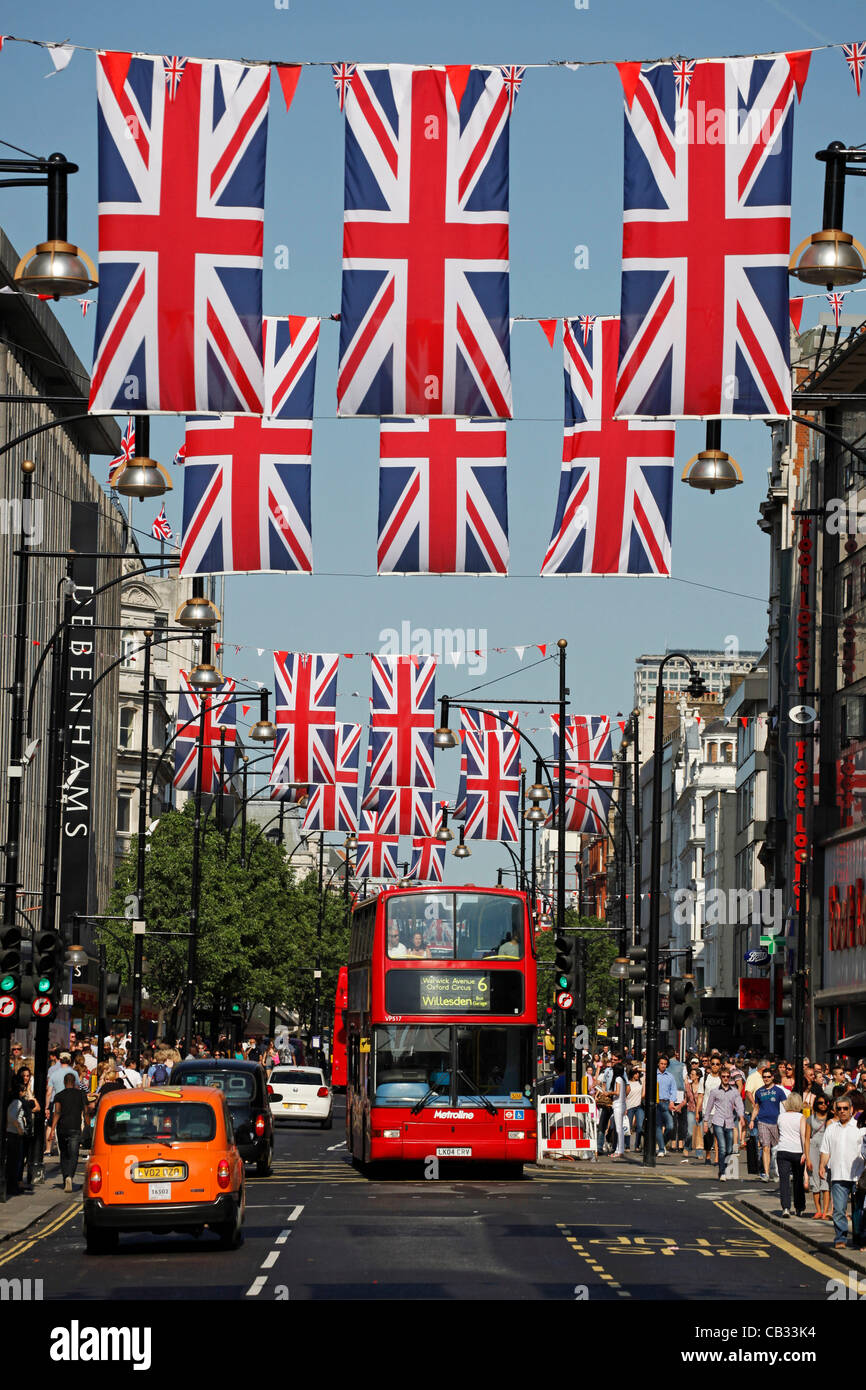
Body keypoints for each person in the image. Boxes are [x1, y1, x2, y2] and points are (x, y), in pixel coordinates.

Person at [819, 1095, 865, 1248]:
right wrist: (821, 1166)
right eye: (839, 1108)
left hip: (858, 1176)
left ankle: (859, 1238)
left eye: (846, 1108)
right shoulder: (831, 1128)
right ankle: (841, 1238)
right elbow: (825, 1151)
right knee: (839, 1209)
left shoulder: (860, 1128)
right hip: (838, 1174)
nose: (842, 1111)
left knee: (859, 1211)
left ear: (851, 1109)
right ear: (835, 1110)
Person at [702, 1065, 745, 1181]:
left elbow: (739, 1104)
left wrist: (741, 1116)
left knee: (729, 1149)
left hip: (730, 1122)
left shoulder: (734, 1092)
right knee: (722, 1147)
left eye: (727, 1076)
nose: (726, 1078)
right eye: (723, 1076)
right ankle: (722, 1172)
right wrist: (705, 1121)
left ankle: (724, 1169)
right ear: (720, 1078)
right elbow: (709, 1107)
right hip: (718, 1121)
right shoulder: (715, 1092)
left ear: (730, 1077)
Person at [48, 1072, 87, 1194]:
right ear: (74, 1082)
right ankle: (70, 1175)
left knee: (64, 1154)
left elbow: (57, 1113)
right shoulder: (81, 1094)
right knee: (74, 1154)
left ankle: (65, 1179)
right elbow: (86, 1113)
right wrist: (89, 1127)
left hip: (62, 1128)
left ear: (65, 1083)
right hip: (75, 1128)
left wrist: (52, 1131)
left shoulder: (59, 1095)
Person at [749, 1066, 788, 1184]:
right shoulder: (759, 1092)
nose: (766, 1079)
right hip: (762, 1121)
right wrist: (751, 1120)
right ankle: (765, 1173)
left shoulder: (779, 1091)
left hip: (776, 1122)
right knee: (765, 1147)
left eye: (768, 1077)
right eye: (764, 1077)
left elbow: (786, 1105)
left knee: (776, 1148)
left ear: (772, 1077)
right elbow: (756, 1107)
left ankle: (775, 1172)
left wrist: (789, 1118)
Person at [776, 1092, 808, 1218]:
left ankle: (785, 1207)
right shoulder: (801, 1117)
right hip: (797, 1151)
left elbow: (779, 1132)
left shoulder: (781, 1117)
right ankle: (799, 1207)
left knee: (784, 1181)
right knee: (798, 1179)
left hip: (783, 1150)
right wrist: (805, 1153)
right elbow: (803, 1135)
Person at [805, 1095, 832, 1220]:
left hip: (827, 1150)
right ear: (816, 1104)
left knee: (825, 1179)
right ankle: (818, 1211)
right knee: (815, 1179)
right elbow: (806, 1139)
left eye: (826, 1103)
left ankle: (825, 1211)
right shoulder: (810, 1119)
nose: (823, 1105)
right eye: (820, 1103)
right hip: (814, 1149)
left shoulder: (831, 1119)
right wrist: (807, 1158)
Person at [5, 1076, 29, 1197]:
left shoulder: (13, 1101)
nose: (25, 1093)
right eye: (24, 1090)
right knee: (14, 1162)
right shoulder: (17, 1102)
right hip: (14, 1134)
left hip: (12, 1133)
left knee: (14, 1162)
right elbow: (12, 1116)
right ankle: (12, 1187)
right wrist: (19, 1128)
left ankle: (12, 1186)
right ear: (20, 1091)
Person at [655, 1056, 678, 1158]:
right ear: (658, 1064)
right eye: (661, 1063)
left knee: (670, 1126)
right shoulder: (653, 1074)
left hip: (666, 1103)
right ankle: (661, 1148)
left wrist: (672, 1102)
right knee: (658, 1126)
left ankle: (661, 1143)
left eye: (665, 1064)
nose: (663, 1065)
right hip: (656, 1103)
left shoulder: (670, 1076)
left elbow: (673, 1090)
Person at [610, 1062, 628, 1159]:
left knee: (618, 1128)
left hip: (617, 1105)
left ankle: (620, 1150)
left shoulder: (617, 1079)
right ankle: (618, 1149)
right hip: (622, 1105)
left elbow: (617, 1092)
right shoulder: (623, 1079)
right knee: (619, 1128)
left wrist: (608, 1093)